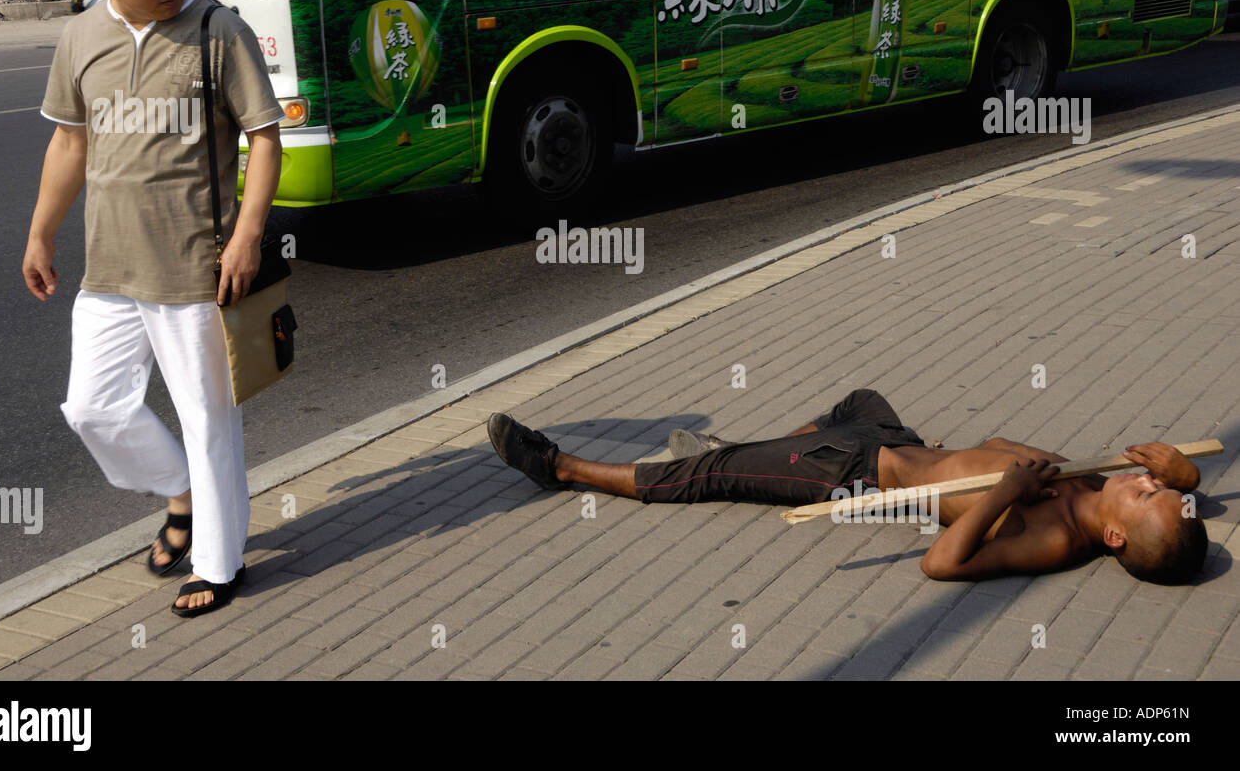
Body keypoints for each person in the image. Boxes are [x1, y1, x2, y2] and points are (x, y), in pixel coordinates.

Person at [23, 0, 286, 617]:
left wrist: (248, 234)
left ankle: (220, 560)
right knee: (92, 408)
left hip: (196, 266)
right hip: (109, 267)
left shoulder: (216, 30)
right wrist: (42, 231)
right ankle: (182, 491)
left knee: (209, 418)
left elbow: (264, 136)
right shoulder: (79, 38)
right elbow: (70, 142)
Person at [487, 388, 1208, 584]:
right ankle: (757, 450)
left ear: (1114, 536)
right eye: (1157, 483)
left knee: (705, 476)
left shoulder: (1055, 536)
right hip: (896, 443)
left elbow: (942, 563)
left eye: (1148, 493)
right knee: (863, 397)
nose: (1145, 479)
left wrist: (1004, 493)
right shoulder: (1098, 486)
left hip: (851, 472)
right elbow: (988, 447)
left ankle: (560, 468)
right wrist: (1186, 474)